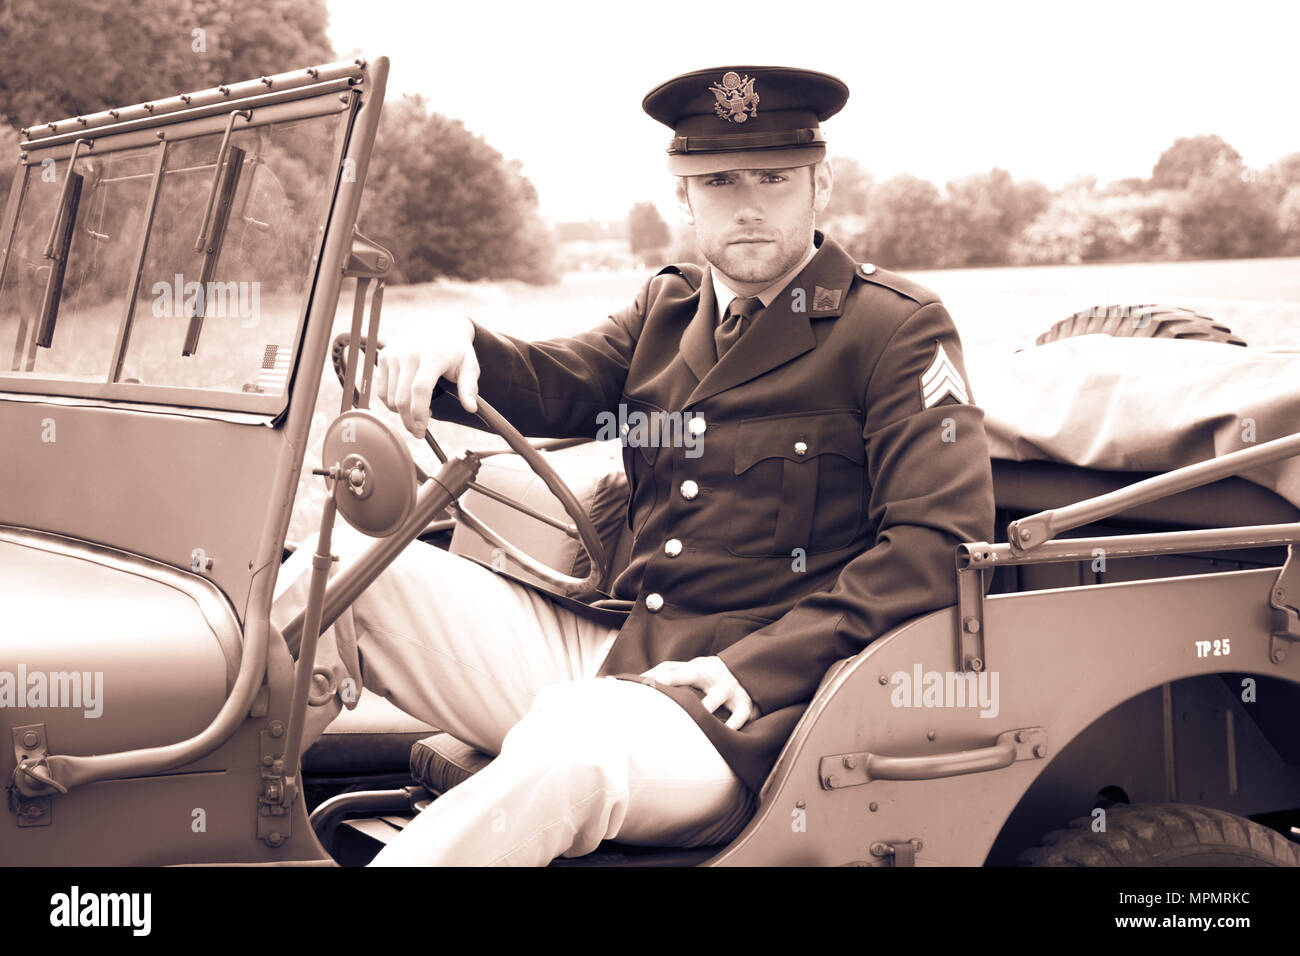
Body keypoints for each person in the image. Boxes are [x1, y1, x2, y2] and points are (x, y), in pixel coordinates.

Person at [272, 65, 995, 865]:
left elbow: (936, 545)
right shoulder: (670, 309)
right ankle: (185, 819)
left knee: (569, 749)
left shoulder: (892, 330)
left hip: (748, 711)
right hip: (622, 652)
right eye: (718, 180)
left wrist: (755, 668)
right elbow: (555, 380)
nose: (749, 204)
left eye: (776, 178)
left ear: (821, 185)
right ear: (682, 196)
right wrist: (461, 344)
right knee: (339, 577)